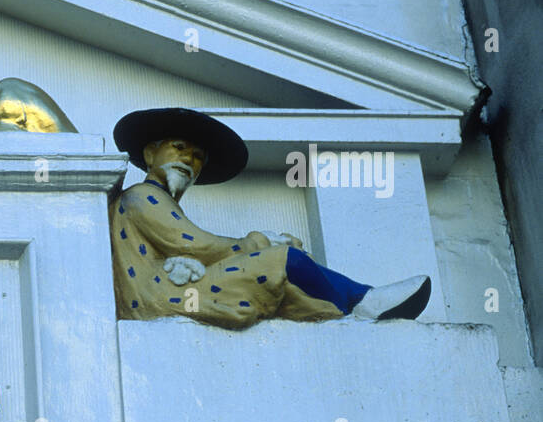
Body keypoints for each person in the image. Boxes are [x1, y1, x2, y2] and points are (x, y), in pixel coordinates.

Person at [110, 107, 430, 330]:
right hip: (162, 296)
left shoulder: (159, 200)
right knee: (281, 260)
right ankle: (360, 303)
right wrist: (259, 242)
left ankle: (351, 309)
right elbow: (193, 244)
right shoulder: (143, 196)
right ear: (151, 154)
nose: (187, 160)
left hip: (171, 289)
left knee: (286, 290)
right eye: (178, 148)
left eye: (196, 157)